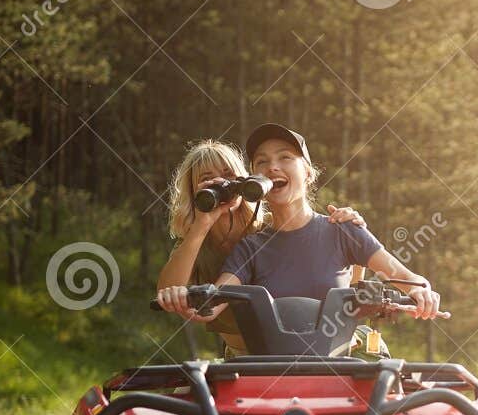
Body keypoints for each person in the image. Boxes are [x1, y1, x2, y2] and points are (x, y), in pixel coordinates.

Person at [156, 122, 439, 337]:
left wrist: (422, 291)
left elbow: (405, 277)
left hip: (336, 371)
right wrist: (182, 298)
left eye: (285, 158)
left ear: (307, 172)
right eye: (262, 162)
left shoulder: (343, 230)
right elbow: (210, 306)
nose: (273, 167)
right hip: (269, 376)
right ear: (254, 180)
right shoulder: (250, 247)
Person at [157, 137, 370, 354]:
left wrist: (352, 233)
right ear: (194, 192)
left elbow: (340, 276)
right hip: (246, 357)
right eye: (207, 179)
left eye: (228, 175)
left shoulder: (269, 229)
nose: (221, 183)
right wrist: (201, 225)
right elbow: (167, 294)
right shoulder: (194, 248)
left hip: (308, 347)